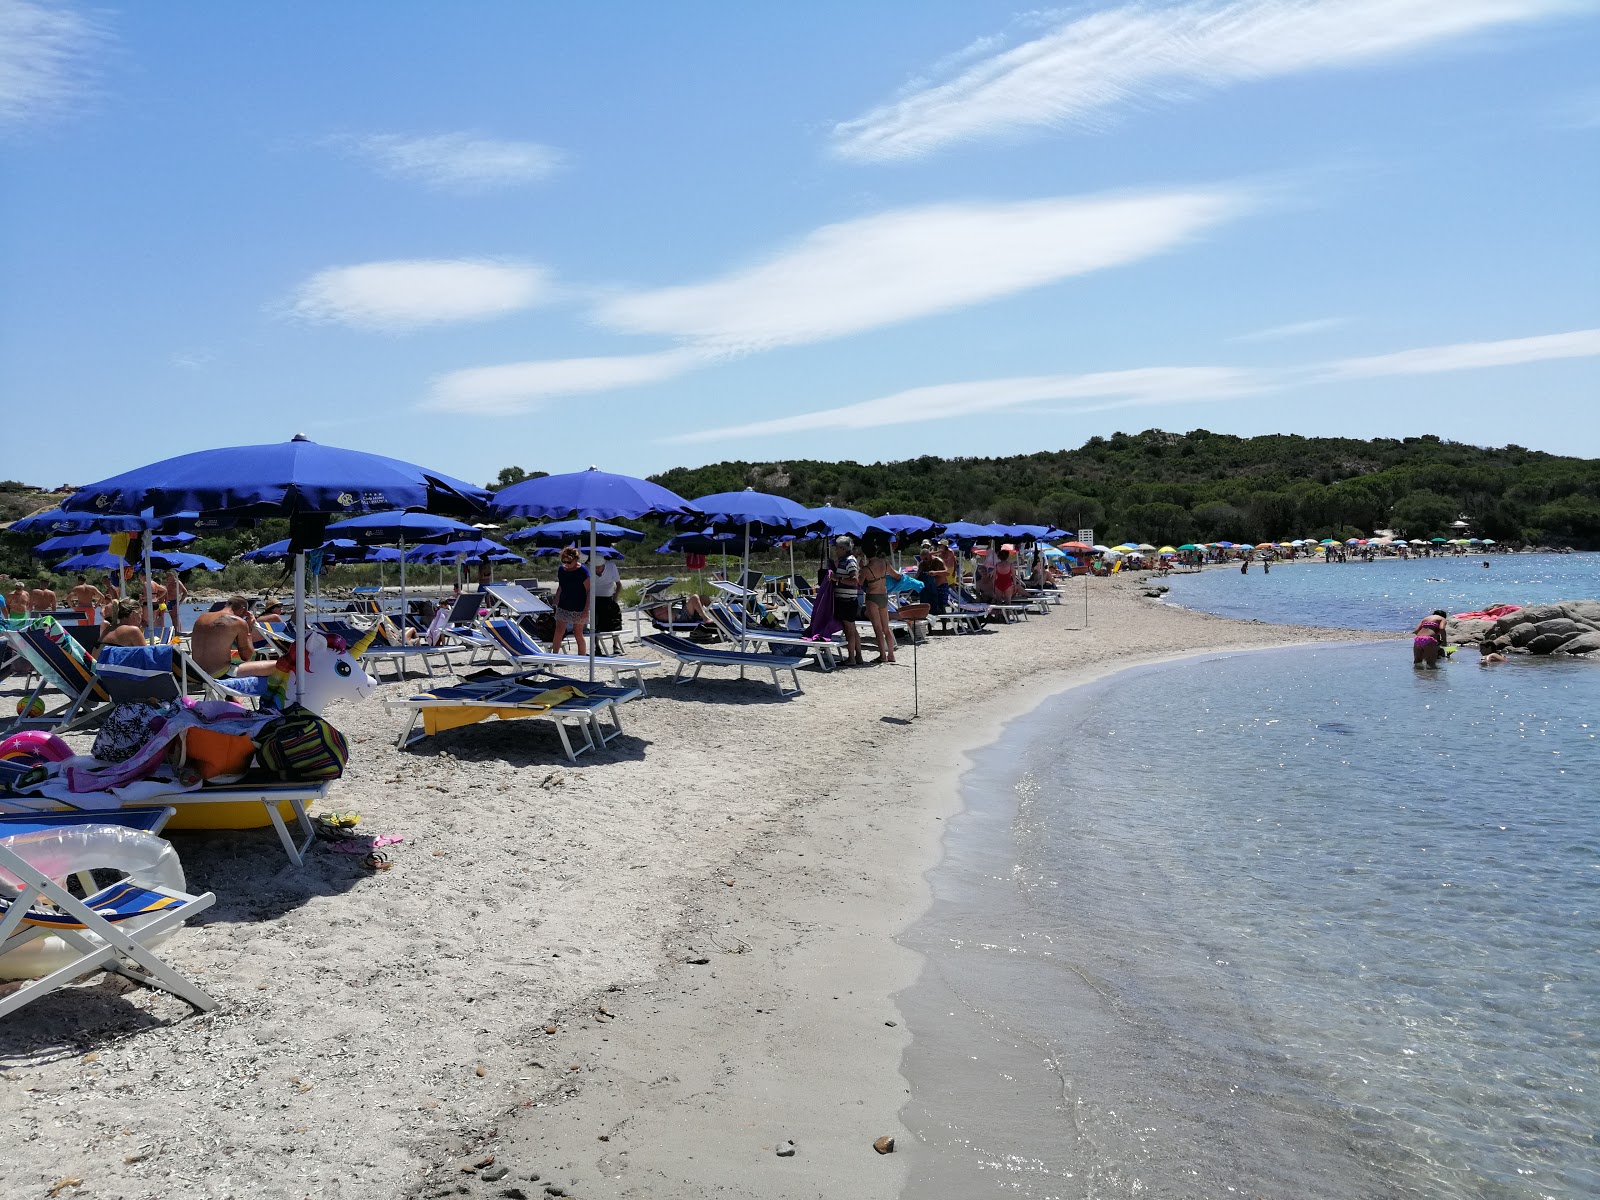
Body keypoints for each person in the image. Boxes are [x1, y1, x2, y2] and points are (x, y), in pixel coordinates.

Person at [190, 596, 274, 678]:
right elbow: (247, 656)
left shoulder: (201, 618)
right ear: (242, 610)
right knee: (276, 665)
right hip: (218, 674)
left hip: (196, 673)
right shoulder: (238, 622)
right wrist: (249, 629)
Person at [859, 534, 901, 665]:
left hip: (872, 597)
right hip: (884, 596)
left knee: (877, 629)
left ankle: (882, 655)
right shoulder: (885, 563)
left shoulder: (866, 569)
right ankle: (891, 655)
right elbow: (897, 576)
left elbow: (859, 584)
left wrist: (860, 569)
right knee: (886, 628)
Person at [829, 536, 864, 667]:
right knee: (852, 629)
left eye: (837, 548)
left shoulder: (850, 561)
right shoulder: (845, 560)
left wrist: (837, 579)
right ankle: (858, 656)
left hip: (847, 600)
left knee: (849, 629)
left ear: (843, 548)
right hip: (846, 599)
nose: (836, 550)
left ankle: (851, 658)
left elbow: (855, 580)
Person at [551, 546, 589, 655]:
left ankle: (582, 657)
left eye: (569, 562)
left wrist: (586, 609)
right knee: (559, 631)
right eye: (564, 561)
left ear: (575, 559)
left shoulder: (582, 571)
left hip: (579, 606)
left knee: (578, 633)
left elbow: (588, 590)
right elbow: (561, 586)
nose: (566, 564)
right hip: (564, 604)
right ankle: (554, 655)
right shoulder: (562, 570)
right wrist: (556, 600)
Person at [586, 549, 623, 648]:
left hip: (609, 597)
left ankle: (615, 645)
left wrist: (615, 599)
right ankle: (596, 646)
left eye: (599, 568)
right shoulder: (587, 568)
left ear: (604, 565)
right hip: (594, 598)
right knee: (595, 624)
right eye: (595, 568)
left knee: (614, 622)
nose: (597, 570)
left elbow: (618, 584)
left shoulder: (611, 566)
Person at [916, 541, 948, 616]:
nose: (925, 561)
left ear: (930, 555)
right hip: (929, 588)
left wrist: (936, 573)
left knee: (941, 606)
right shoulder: (922, 564)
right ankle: (930, 626)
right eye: (923, 559)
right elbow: (918, 574)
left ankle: (944, 626)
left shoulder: (938, 561)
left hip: (940, 585)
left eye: (926, 558)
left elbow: (947, 572)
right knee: (928, 607)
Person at [162, 569, 187, 634]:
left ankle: (178, 631)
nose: (168, 578)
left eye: (169, 576)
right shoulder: (167, 583)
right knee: (172, 617)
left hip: (174, 601)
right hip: (168, 601)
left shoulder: (177, 583)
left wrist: (180, 602)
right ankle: (175, 631)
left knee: (176, 616)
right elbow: (164, 593)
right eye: (167, 577)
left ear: (173, 576)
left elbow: (185, 592)